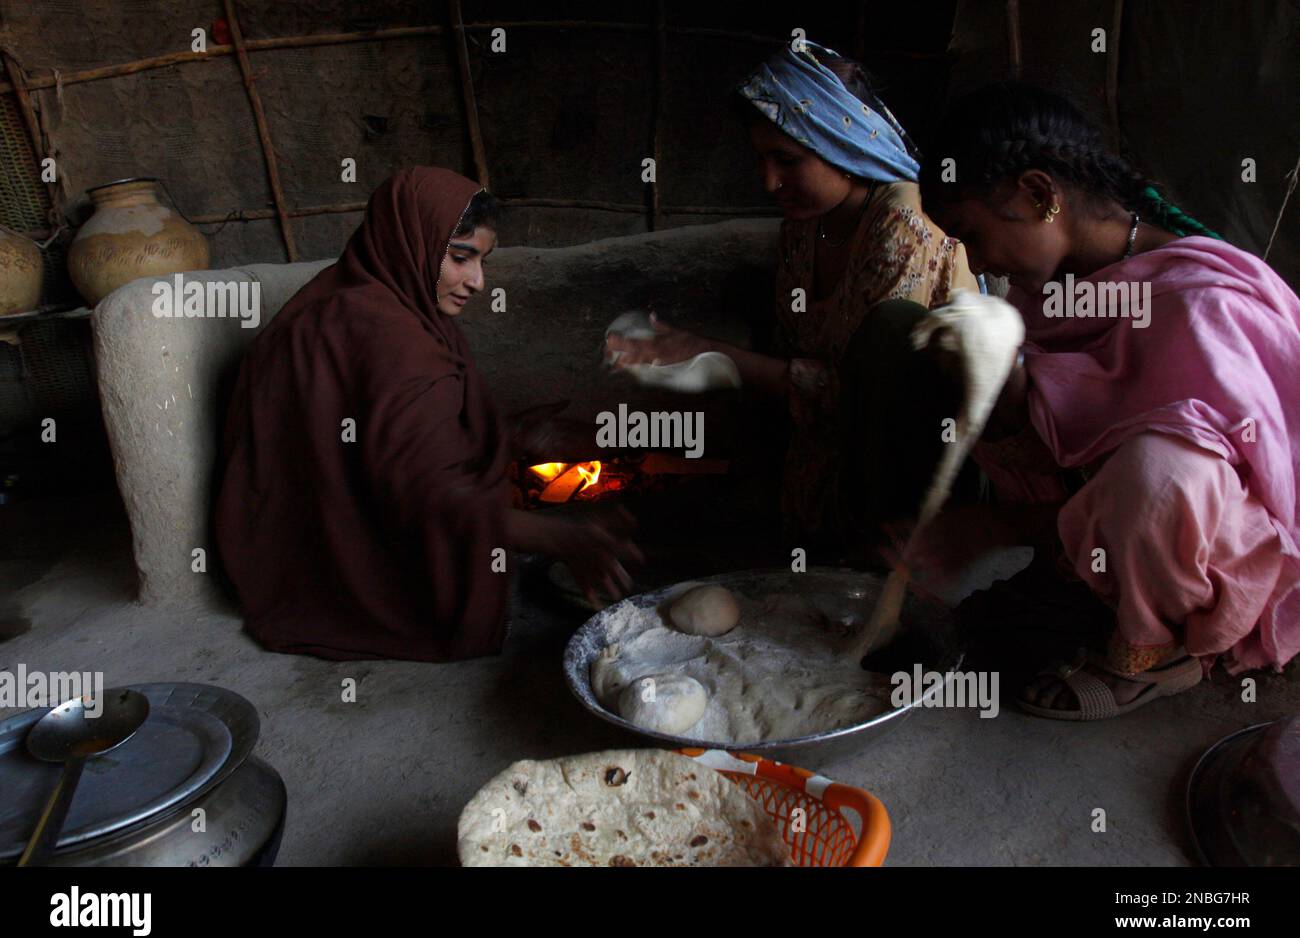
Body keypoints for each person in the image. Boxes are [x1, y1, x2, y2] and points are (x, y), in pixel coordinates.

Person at [917, 82, 1300, 718]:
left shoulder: (1202, 304)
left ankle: (1162, 652)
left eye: (972, 234)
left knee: (1163, 469)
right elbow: (1057, 445)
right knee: (960, 358)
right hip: (1118, 528)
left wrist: (996, 528)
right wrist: (1001, 381)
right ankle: (1084, 584)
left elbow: (1226, 488)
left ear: (1040, 195)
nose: (974, 258)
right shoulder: (1047, 292)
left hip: (1235, 550)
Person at [215, 167, 641, 662]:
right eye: (461, 258)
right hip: (325, 561)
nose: (477, 282)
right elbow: (423, 492)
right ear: (409, 240)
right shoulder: (391, 338)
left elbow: (375, 445)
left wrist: (510, 434)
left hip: (279, 544)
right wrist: (562, 538)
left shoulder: (348, 294)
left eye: (481, 260)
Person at [605, 42, 978, 559]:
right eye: (762, 159)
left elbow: (862, 394)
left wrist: (708, 352)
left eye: (787, 159)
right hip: (826, 461)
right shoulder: (805, 230)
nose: (769, 181)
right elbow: (798, 362)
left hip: (911, 474)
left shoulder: (904, 223)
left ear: (843, 143)